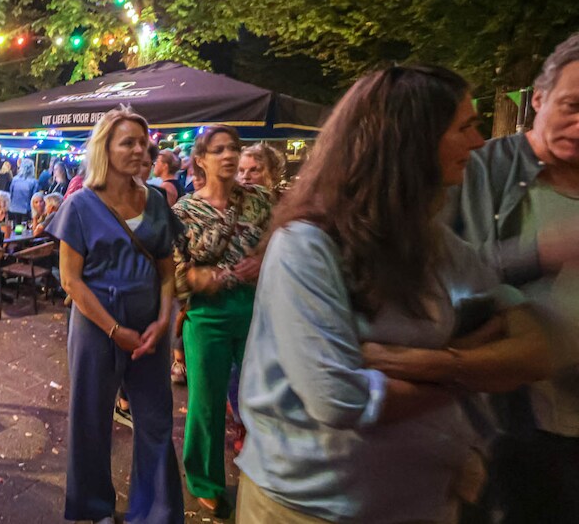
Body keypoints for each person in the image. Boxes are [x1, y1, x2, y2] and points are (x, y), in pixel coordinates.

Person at [237, 65, 553, 524]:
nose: (479, 141)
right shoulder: (307, 245)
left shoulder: (435, 244)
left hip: (421, 500)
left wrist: (436, 363)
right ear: (411, 140)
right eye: (464, 127)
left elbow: (537, 347)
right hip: (310, 508)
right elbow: (337, 399)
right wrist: (478, 367)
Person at [444, 33, 579, 523]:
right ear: (538, 99)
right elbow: (433, 279)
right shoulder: (475, 168)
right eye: (572, 106)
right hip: (506, 426)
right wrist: (537, 255)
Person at [49, 107, 182, 524]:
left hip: (151, 323)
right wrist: (114, 329)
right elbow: (70, 281)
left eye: (143, 142)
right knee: (90, 419)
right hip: (96, 325)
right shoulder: (80, 204)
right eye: (128, 142)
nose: (139, 149)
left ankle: (157, 511)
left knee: (156, 419)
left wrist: (164, 320)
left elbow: (167, 270)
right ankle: (94, 507)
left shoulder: (156, 200)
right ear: (105, 148)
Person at [170, 125, 271, 514]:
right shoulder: (184, 211)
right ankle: (205, 480)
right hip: (207, 313)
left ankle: (265, 469)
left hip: (257, 308)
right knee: (207, 402)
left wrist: (262, 259)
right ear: (200, 159)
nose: (229, 155)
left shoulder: (260, 200)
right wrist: (197, 278)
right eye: (219, 150)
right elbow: (171, 269)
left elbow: (283, 237)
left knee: (262, 394)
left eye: (234, 148)